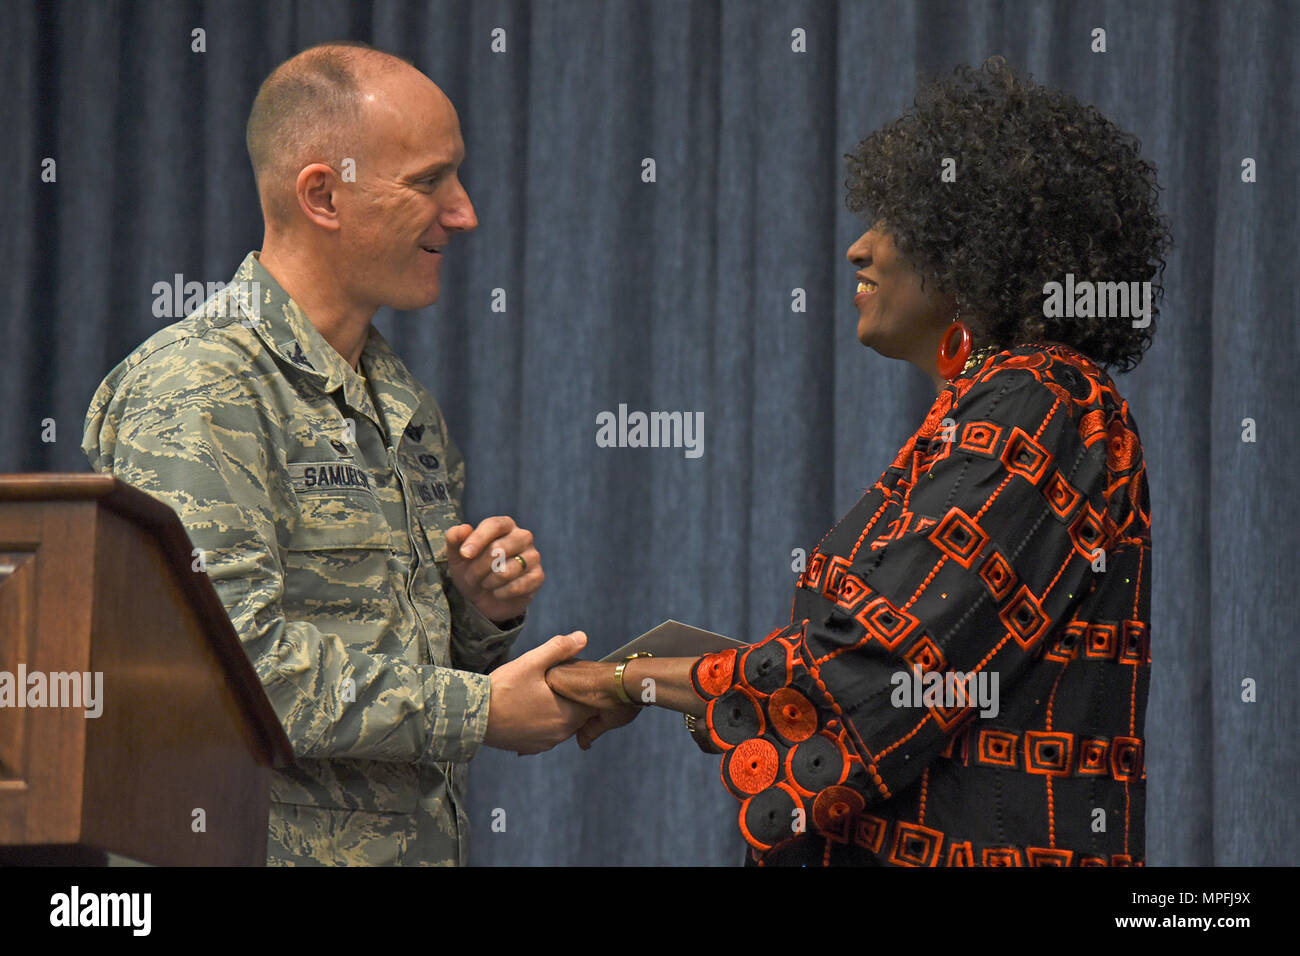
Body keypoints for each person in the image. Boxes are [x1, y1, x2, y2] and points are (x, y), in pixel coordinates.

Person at [547, 58, 1170, 866]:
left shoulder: (1044, 400)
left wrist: (626, 679)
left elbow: (882, 665)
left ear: (974, 247)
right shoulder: (995, 404)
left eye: (893, 221)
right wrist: (694, 685)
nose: (858, 249)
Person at [81, 42, 596, 866]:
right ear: (322, 195)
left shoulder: (402, 402)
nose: (463, 212)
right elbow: (227, 669)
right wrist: (482, 711)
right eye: (429, 181)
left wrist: (474, 611)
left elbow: (392, 655)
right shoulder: (199, 390)